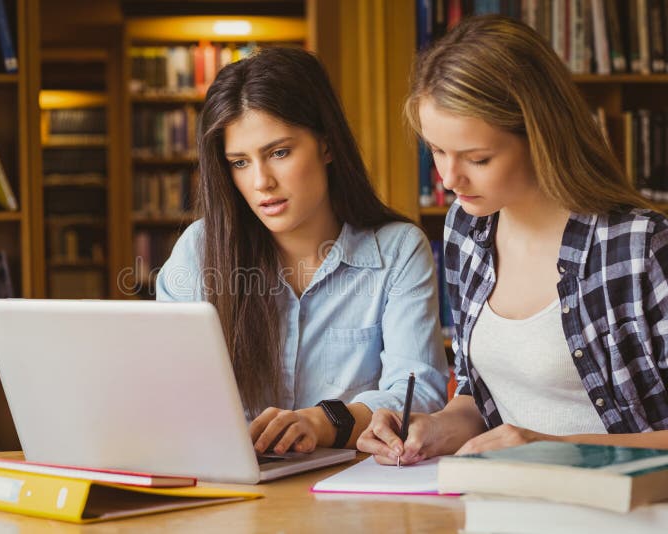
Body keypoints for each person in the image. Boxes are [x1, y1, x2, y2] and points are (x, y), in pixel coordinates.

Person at [358, 15, 668, 466]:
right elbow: (480, 398)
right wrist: (435, 428)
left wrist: (555, 449)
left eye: (477, 158)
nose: (449, 178)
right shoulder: (464, 231)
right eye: (437, 151)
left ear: (540, 136)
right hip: (505, 501)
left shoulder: (641, 248)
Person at [156, 47, 448, 455]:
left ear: (326, 146)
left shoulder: (397, 251)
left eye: (279, 153)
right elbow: (165, 386)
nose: (261, 182)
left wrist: (324, 421)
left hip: (348, 493)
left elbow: (420, 394)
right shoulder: (200, 251)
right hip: (230, 485)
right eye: (239, 162)